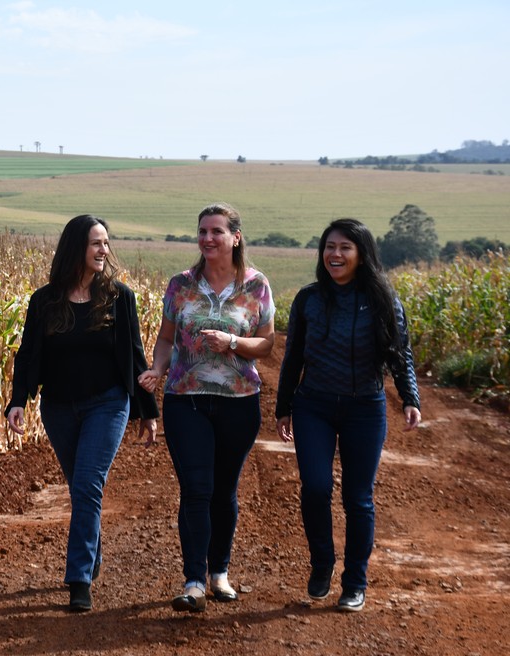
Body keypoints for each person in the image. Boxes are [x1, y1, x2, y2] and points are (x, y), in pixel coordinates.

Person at [5, 214, 159, 613]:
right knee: (81, 490)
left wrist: (148, 412)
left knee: (88, 485)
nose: (104, 250)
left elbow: (135, 356)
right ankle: (91, 558)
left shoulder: (120, 297)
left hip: (107, 404)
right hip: (58, 408)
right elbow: (28, 355)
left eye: (106, 243)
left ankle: (78, 581)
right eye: (96, 243)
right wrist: (18, 400)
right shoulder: (45, 301)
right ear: (76, 247)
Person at [275, 218, 421, 613]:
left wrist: (410, 398)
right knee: (317, 487)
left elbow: (400, 354)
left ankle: (355, 581)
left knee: (358, 498)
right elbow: (292, 358)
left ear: (361, 254)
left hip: (365, 408)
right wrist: (283, 406)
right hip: (314, 405)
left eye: (345, 248)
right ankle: (322, 564)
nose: (335, 255)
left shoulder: (382, 300)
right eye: (329, 247)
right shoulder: (308, 299)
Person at [139, 202, 275, 612]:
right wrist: (158, 369)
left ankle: (220, 573)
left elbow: (266, 345)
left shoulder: (256, 286)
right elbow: (165, 338)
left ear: (236, 237)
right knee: (196, 489)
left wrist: (233, 342)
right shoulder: (181, 284)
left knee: (224, 491)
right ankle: (194, 581)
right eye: (202, 231)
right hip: (187, 399)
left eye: (217, 231)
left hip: (239, 401)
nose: (207, 238)